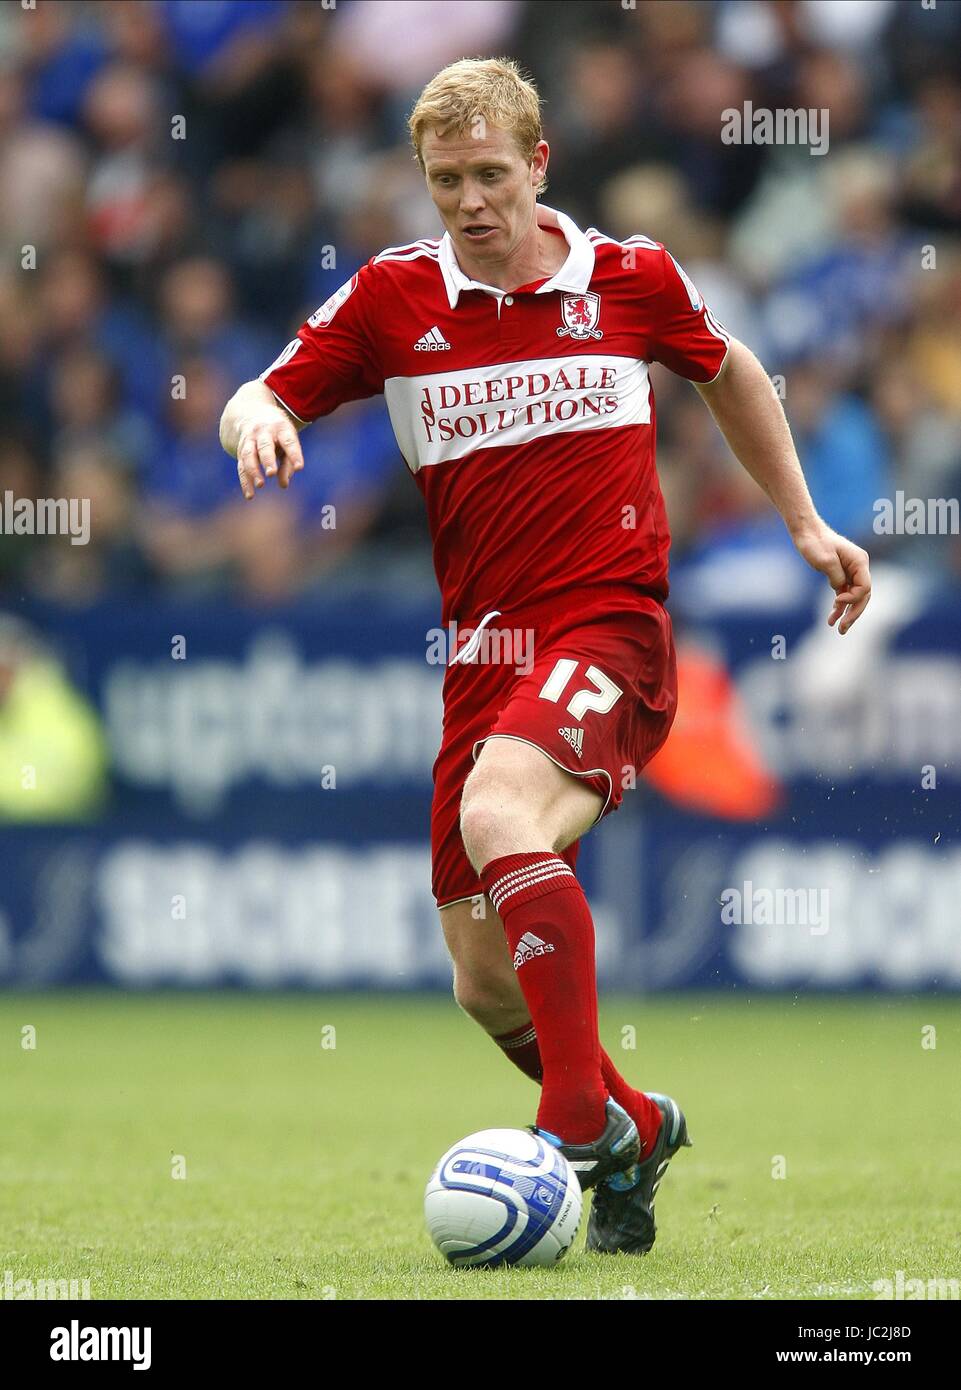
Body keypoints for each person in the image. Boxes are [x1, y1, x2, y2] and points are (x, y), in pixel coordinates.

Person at [219, 57, 872, 1255]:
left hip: (608, 623)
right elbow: (262, 391)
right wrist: (257, 411)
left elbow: (726, 368)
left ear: (539, 164)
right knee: (480, 980)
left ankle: (571, 1122)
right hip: (482, 655)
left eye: (489, 174)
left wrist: (801, 519)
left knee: (505, 808)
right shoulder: (389, 300)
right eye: (444, 179)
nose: (469, 200)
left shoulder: (627, 279)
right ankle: (634, 1125)